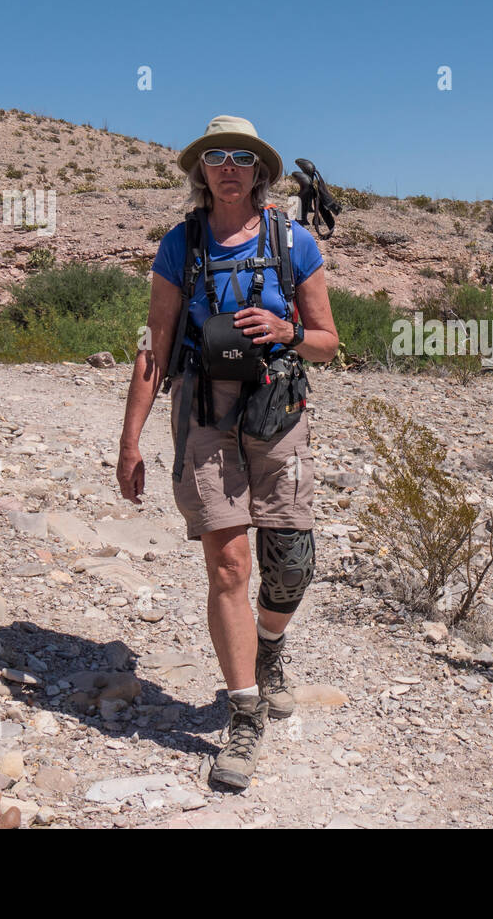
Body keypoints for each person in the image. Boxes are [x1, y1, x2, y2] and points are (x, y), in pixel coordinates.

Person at [116, 115, 339, 790]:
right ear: (201, 170)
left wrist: (287, 327)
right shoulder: (178, 246)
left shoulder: (292, 241)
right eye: (217, 156)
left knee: (291, 566)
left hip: (277, 414)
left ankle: (270, 642)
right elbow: (155, 345)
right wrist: (129, 441)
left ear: (260, 170)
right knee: (227, 564)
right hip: (205, 419)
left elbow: (330, 341)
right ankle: (245, 711)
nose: (230, 165)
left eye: (243, 156)